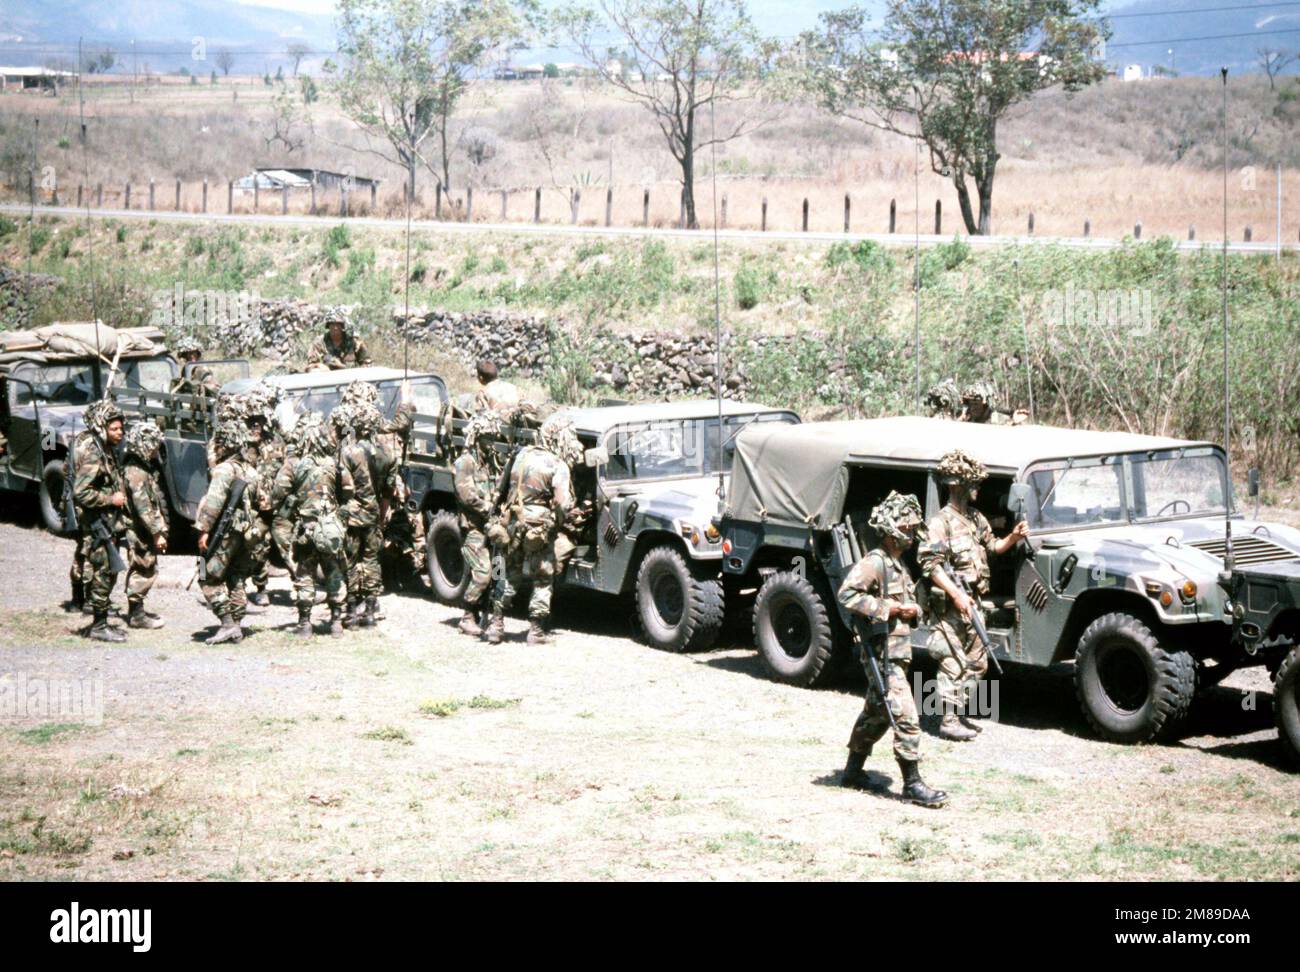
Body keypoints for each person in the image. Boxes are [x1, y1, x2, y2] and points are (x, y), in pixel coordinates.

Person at [839, 491, 946, 808]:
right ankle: (912, 784)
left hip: (896, 654)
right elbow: (847, 595)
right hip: (883, 657)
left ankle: (852, 772)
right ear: (891, 530)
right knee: (907, 716)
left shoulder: (898, 566)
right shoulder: (875, 563)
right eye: (907, 528)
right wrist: (894, 609)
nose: (912, 534)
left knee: (876, 717)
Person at [917, 449, 1030, 741]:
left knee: (978, 661)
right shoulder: (940, 523)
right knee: (951, 660)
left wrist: (1014, 537)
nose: (978, 489)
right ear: (959, 486)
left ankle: (958, 711)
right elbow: (931, 566)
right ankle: (948, 720)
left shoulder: (975, 518)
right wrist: (956, 594)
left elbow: (994, 547)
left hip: (974, 601)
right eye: (973, 484)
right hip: (951, 606)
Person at [485, 412, 580, 645]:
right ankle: (536, 631)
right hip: (538, 530)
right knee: (543, 576)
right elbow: (562, 503)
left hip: (512, 525)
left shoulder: (520, 455)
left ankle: (496, 626)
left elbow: (500, 488)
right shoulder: (558, 465)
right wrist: (558, 523)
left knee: (507, 575)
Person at [274, 412, 352, 636]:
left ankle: (305, 624)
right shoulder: (333, 463)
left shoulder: (293, 464)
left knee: (305, 574)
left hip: (306, 530)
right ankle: (336, 622)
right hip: (330, 528)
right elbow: (349, 490)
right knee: (334, 572)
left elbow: (278, 492)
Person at [195, 420, 258, 645]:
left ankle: (227, 623)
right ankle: (237, 626)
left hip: (224, 533)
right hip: (245, 534)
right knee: (236, 576)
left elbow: (213, 503)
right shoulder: (250, 470)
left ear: (222, 444)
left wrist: (203, 530)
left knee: (204, 573)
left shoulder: (223, 469)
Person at [71, 399, 129, 642]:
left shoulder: (105, 449)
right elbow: (80, 492)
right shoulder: (95, 453)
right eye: (114, 429)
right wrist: (110, 499)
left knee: (108, 572)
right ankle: (98, 624)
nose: (120, 433)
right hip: (97, 523)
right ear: (101, 428)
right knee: (103, 573)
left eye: (121, 429)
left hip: (106, 522)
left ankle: (101, 621)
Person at [453, 410, 504, 637]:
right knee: (483, 574)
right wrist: (488, 509)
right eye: (487, 438)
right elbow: (467, 495)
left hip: (492, 528)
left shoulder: (491, 461)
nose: (491, 443)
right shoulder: (465, 462)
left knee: (498, 573)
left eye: (493, 437)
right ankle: (467, 615)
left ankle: (494, 615)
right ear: (476, 437)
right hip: (474, 529)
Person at [333, 403, 383, 629]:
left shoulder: (348, 452)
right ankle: (370, 613)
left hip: (353, 516)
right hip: (373, 514)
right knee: (371, 561)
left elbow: (344, 487)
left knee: (351, 562)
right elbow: (389, 490)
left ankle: (351, 613)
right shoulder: (385, 453)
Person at [121, 422, 168, 630]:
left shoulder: (137, 467)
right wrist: (157, 533)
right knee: (144, 566)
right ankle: (137, 615)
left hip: (140, 528)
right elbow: (144, 508)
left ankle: (136, 611)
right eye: (154, 445)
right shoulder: (137, 473)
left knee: (142, 565)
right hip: (140, 530)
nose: (157, 450)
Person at [242, 384, 284, 607]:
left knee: (264, 545)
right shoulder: (237, 443)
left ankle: (261, 588)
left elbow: (283, 469)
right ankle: (220, 588)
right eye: (252, 421)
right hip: (243, 505)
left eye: (260, 420)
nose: (256, 426)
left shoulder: (275, 441)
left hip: (269, 505)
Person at [305, 310, 371, 371]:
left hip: (352, 378)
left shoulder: (354, 341)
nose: (335, 327)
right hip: (328, 379)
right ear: (328, 326)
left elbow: (367, 363)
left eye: (338, 324)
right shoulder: (319, 342)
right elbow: (310, 366)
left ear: (342, 326)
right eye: (332, 324)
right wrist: (319, 365)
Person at [960, 381, 1028, 426]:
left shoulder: (997, 418)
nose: (973, 407)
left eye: (976, 404)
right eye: (971, 404)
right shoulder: (966, 417)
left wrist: (1014, 421)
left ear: (984, 405)